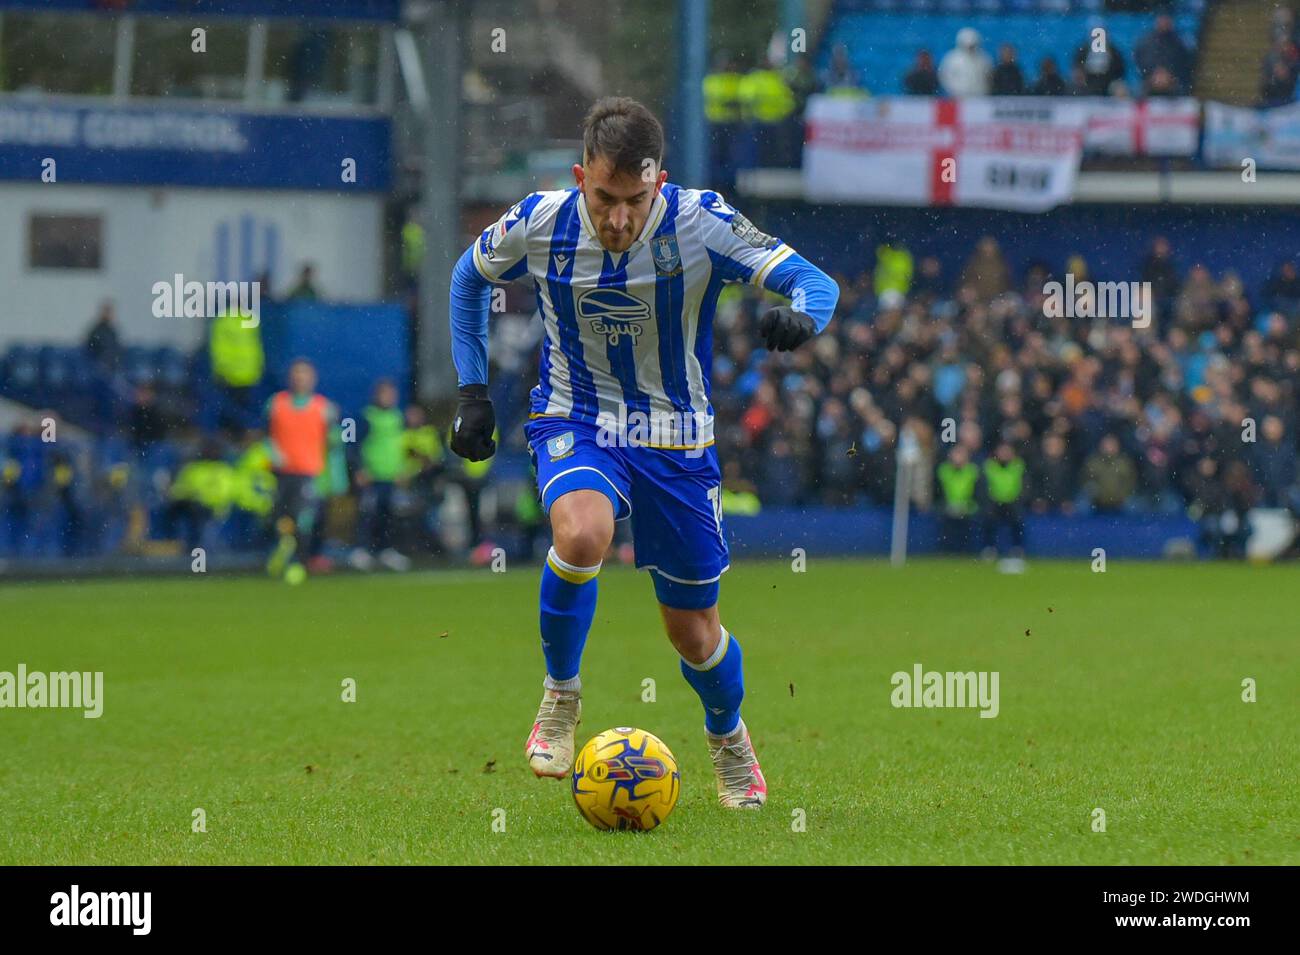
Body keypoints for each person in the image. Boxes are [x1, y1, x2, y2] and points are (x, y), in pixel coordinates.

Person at [446, 97, 839, 808]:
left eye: (634, 199)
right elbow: (467, 277)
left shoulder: (700, 222)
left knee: (693, 633)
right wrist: (473, 391)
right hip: (578, 416)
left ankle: (728, 737)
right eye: (604, 198)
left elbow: (819, 282)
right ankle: (561, 696)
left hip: (675, 438)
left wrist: (803, 316)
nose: (619, 218)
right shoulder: (541, 220)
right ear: (579, 178)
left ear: (658, 183)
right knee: (582, 531)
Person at [265, 359, 336, 582]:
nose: (300, 378)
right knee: (280, 518)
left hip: (310, 472)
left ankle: (299, 561)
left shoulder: (324, 408)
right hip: (280, 472)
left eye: (304, 374)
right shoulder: (276, 404)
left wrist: (336, 477)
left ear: (312, 379)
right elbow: (263, 437)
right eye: (296, 374)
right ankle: (284, 553)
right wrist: (271, 453)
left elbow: (334, 445)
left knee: (304, 518)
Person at [350, 379, 411, 572]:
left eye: (392, 394)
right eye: (385, 394)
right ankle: (362, 550)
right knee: (368, 514)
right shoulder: (367, 417)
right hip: (372, 475)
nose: (389, 398)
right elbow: (354, 445)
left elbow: (399, 445)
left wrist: (402, 469)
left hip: (391, 475)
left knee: (388, 514)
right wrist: (359, 469)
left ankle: (385, 550)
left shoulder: (397, 417)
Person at [939, 28, 992, 98]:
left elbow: (989, 78)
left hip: (979, 97)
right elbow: (944, 77)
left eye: (972, 45)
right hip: (958, 97)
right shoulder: (951, 59)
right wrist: (954, 91)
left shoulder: (984, 59)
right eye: (968, 46)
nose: (970, 48)